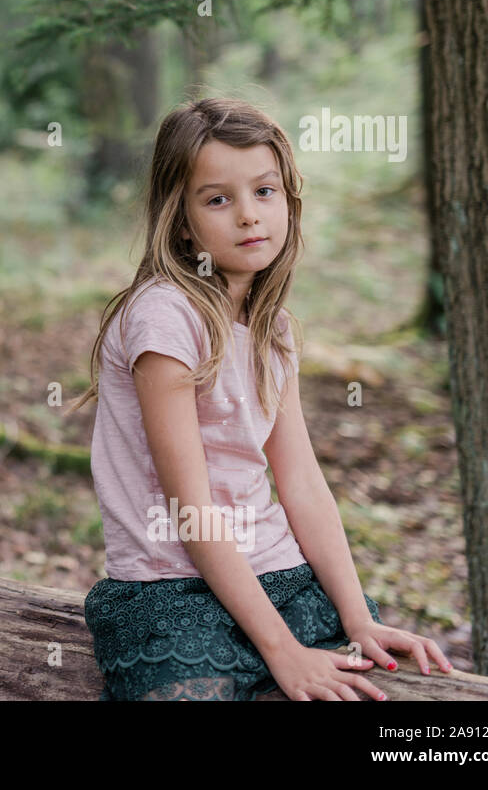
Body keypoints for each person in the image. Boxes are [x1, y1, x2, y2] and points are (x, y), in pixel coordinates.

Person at [67, 97, 452, 700]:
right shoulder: (166, 317)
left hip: (279, 578)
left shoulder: (274, 331)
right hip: (171, 589)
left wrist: (357, 617)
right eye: (218, 198)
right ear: (182, 220)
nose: (249, 216)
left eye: (265, 191)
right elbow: (190, 506)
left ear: (289, 202)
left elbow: (300, 481)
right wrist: (283, 653)